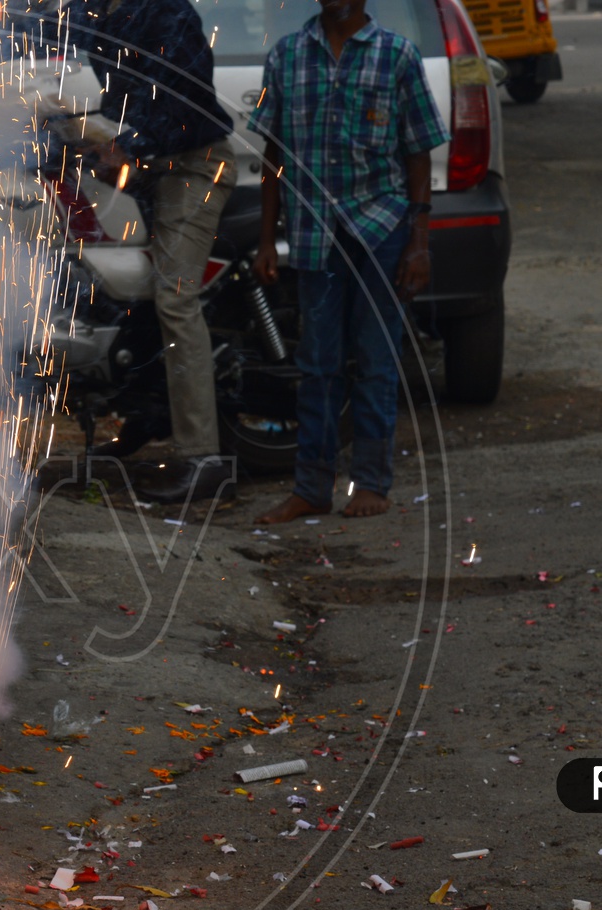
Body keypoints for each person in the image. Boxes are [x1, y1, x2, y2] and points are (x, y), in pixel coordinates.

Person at [248, 0, 448, 524]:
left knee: (377, 360)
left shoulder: (397, 56)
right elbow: (274, 155)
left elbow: (419, 151)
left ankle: (372, 483)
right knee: (317, 365)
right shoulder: (287, 57)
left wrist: (419, 240)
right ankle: (311, 488)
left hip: (381, 228)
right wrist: (268, 239)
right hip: (314, 235)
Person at [65, 0, 239, 504]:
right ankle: (147, 415)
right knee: (121, 285)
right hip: (145, 164)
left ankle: (203, 457)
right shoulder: (92, 12)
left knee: (173, 297)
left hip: (192, 166)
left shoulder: (169, 14)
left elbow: (181, 102)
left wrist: (130, 144)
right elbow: (40, 35)